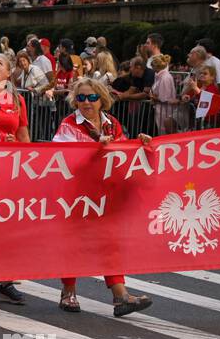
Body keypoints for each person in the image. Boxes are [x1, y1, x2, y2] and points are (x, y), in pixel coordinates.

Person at [51, 77, 153, 315]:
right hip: (76, 194)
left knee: (109, 242)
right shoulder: (68, 125)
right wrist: (95, 147)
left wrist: (142, 144)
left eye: (92, 97)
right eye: (81, 97)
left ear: (102, 100)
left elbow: (124, 155)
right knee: (73, 242)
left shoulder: (112, 124)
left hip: (106, 194)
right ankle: (68, 293)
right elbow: (60, 157)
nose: (86, 102)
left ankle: (120, 296)